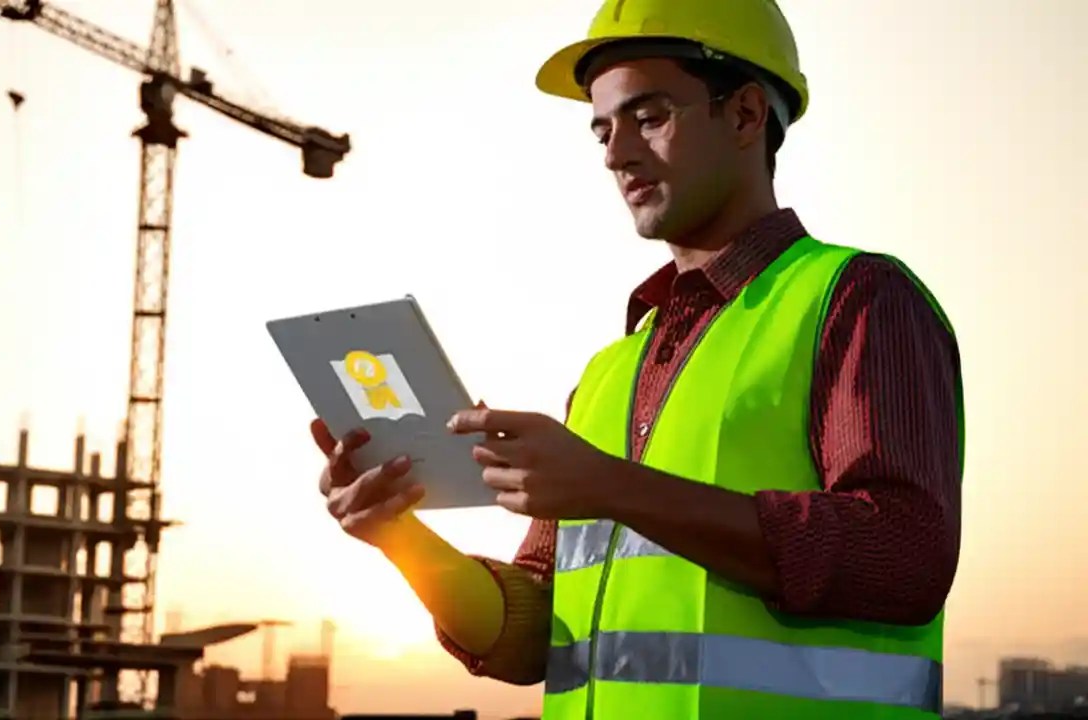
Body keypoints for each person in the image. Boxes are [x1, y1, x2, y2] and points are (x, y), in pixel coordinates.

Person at [311, 0, 964, 718]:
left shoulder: (856, 299)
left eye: (648, 117)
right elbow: (530, 638)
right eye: (603, 131)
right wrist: (398, 535)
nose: (616, 154)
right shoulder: (609, 373)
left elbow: (906, 556)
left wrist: (610, 486)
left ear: (746, 114)